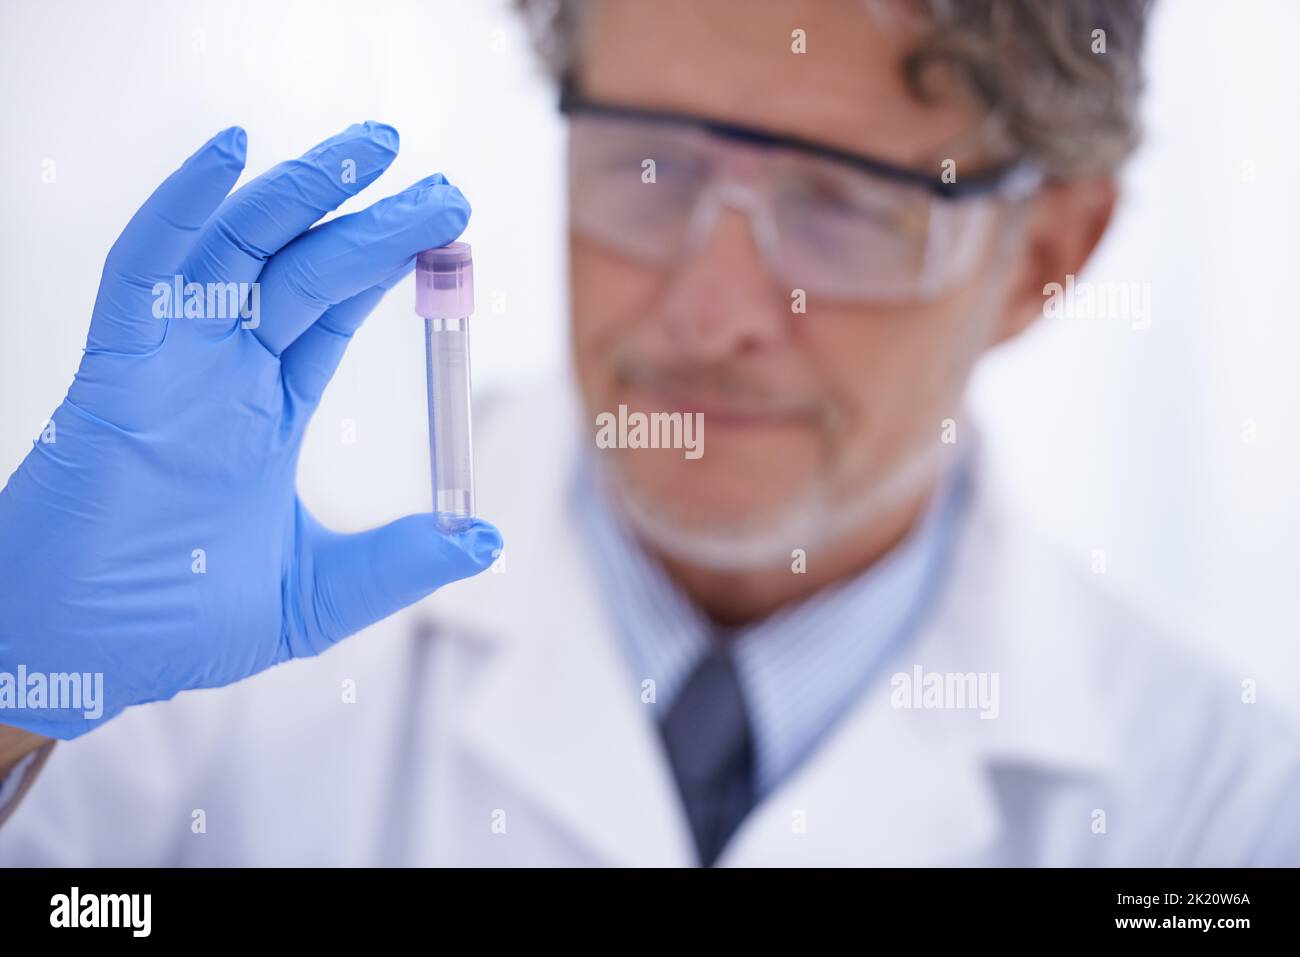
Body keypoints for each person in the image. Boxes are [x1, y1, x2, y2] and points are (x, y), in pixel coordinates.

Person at [1, 0, 1296, 866]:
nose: (710, 308)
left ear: (1046, 259)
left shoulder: (1218, 804)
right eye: (648, 167)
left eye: (842, 205)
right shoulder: (204, 649)